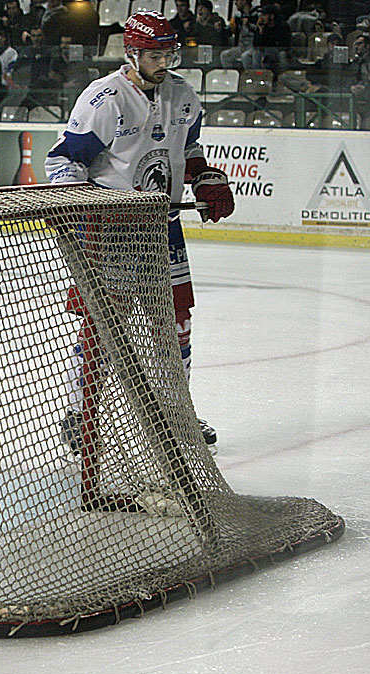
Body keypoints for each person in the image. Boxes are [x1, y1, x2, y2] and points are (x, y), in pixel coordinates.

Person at [44, 12, 234, 450]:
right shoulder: (105, 99)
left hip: (163, 230)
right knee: (104, 325)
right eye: (154, 55)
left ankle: (177, 412)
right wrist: (77, 203)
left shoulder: (182, 94)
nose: (163, 62)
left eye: (169, 53)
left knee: (176, 323)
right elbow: (64, 160)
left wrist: (206, 179)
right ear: (131, 53)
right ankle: (81, 413)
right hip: (111, 231)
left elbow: (188, 149)